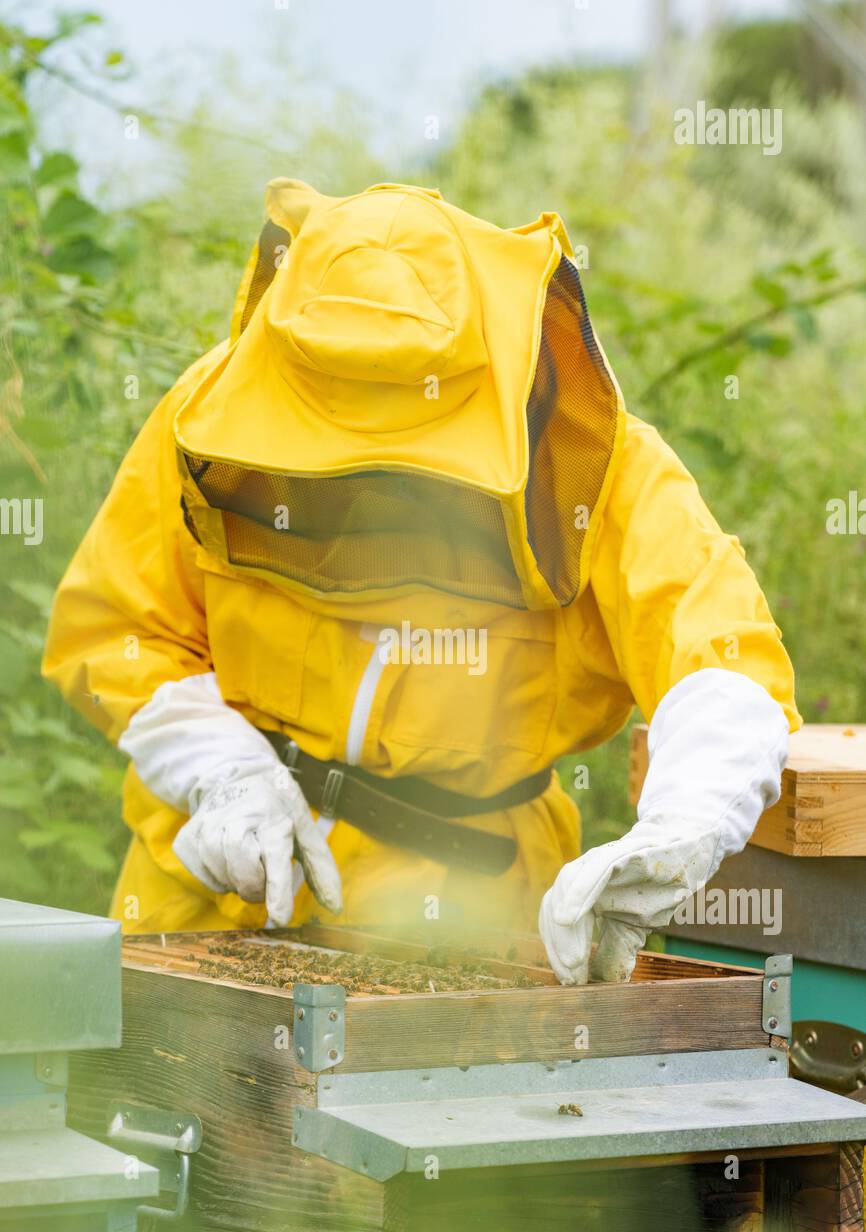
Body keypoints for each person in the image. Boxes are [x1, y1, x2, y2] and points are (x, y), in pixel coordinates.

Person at [43, 179, 799, 984]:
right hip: (214, 897)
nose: (366, 495)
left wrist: (683, 827)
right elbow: (118, 628)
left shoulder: (592, 462)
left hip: (472, 922)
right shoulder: (209, 413)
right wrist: (223, 772)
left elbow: (720, 657)